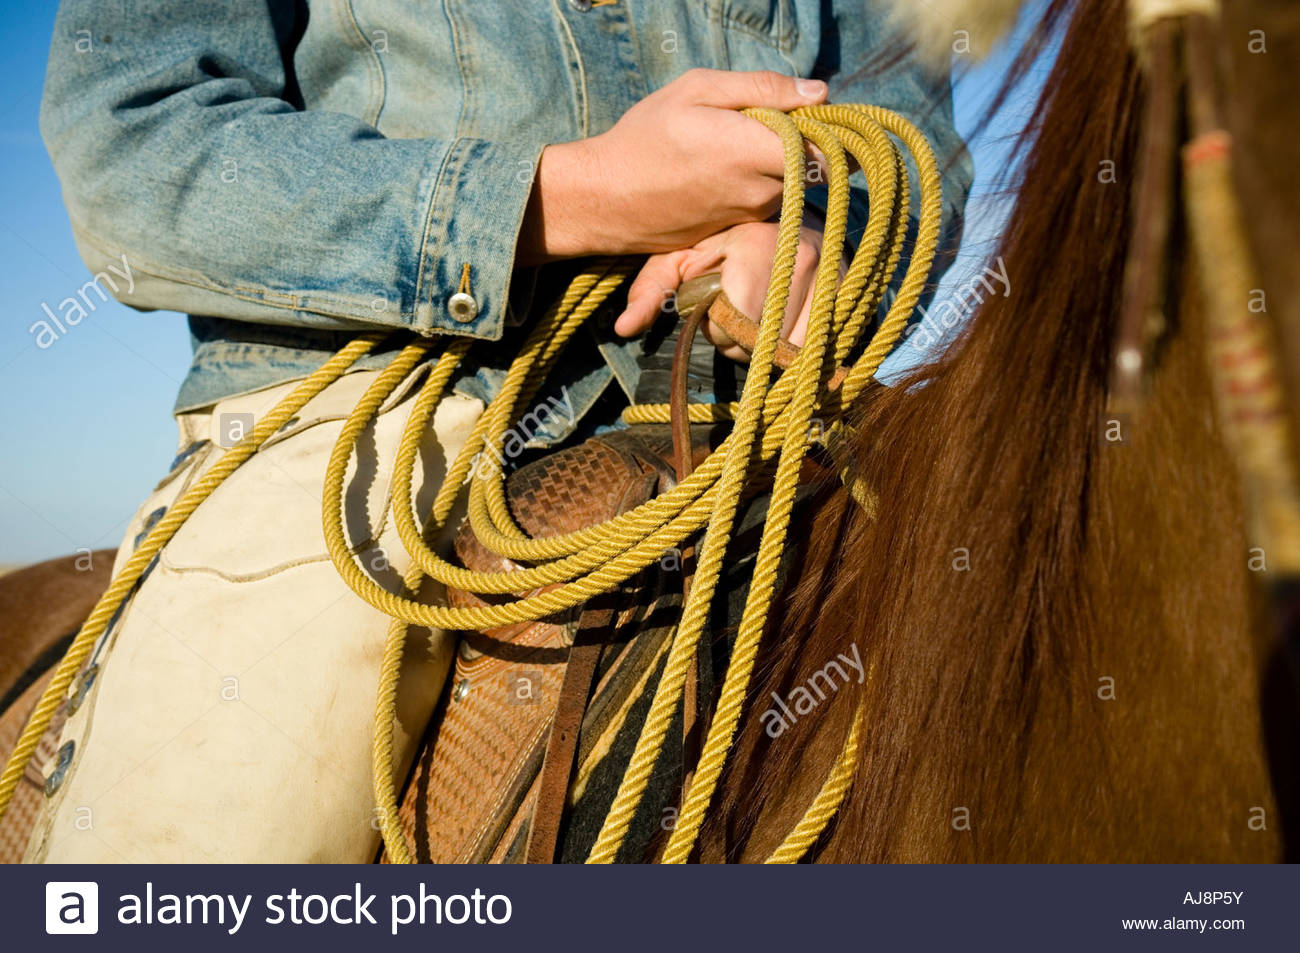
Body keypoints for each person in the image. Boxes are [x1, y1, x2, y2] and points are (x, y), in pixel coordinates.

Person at [25, 0, 970, 862]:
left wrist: (822, 241)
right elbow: (132, 138)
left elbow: (905, 120)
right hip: (378, 416)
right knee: (207, 851)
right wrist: (572, 196)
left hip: (769, 396)